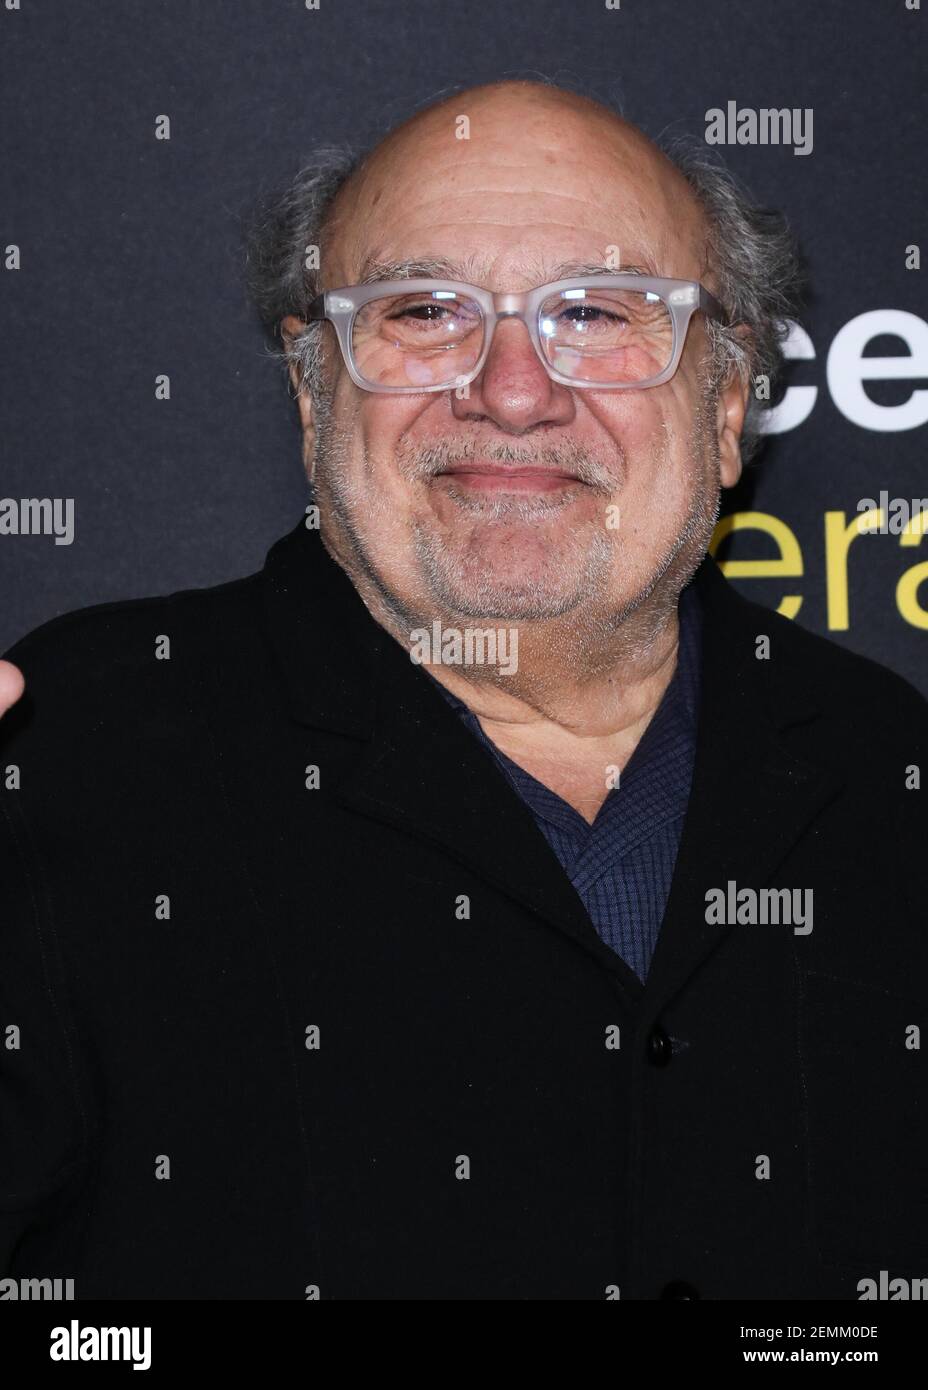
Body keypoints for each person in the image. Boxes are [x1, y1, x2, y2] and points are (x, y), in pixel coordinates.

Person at [1, 80, 925, 1301]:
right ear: (311, 390)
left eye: (597, 311)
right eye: (422, 311)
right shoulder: (70, 755)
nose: (511, 389)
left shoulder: (892, 776)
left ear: (726, 403)